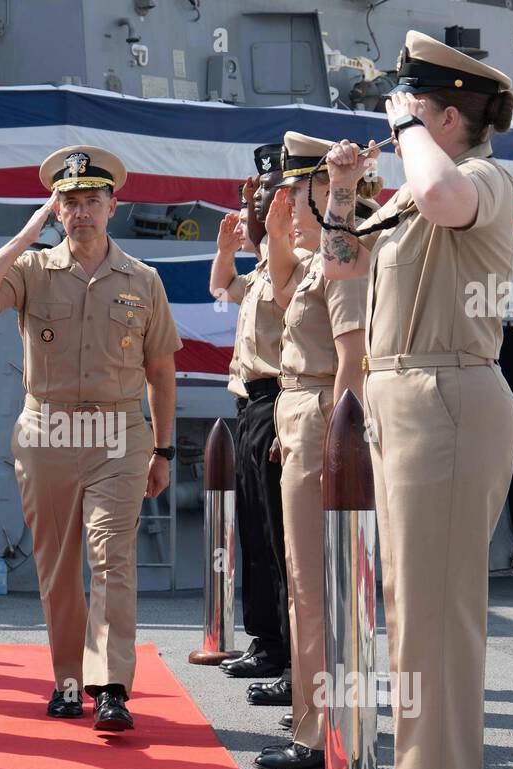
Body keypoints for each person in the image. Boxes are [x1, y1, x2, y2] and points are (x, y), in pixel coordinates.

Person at [320, 31, 513, 769]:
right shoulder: (414, 187)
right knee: (408, 607)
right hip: (402, 399)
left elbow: (439, 198)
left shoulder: (480, 178)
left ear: (445, 116)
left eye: (409, 106)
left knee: (438, 610)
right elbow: (340, 263)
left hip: (448, 394)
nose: (395, 120)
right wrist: (340, 189)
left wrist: (405, 130)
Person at [0, 146, 183, 731]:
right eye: (70, 203)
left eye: (91, 202)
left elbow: (160, 372)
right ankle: (69, 680)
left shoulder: (144, 281)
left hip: (118, 435)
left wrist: (162, 450)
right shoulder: (31, 271)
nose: (81, 213)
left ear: (113, 206)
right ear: (58, 210)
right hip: (48, 431)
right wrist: (26, 232)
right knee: (57, 566)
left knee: (112, 559)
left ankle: (111, 687)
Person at [253, 132, 371, 769]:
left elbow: (352, 357)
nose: (290, 207)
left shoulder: (343, 258)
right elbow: (282, 298)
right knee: (305, 584)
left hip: (325, 416)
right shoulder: (316, 261)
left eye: (299, 195)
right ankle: (314, 721)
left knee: (317, 588)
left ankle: (321, 732)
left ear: (327, 197)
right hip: (302, 413)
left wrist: (335, 443)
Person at [208, 145, 305, 687]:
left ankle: (297, 656)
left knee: (283, 535)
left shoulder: (298, 262)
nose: (257, 201)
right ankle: (268, 641)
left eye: (269, 193)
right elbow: (221, 287)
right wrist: (229, 245)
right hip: (249, 405)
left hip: (278, 401)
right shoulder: (267, 267)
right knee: (257, 531)